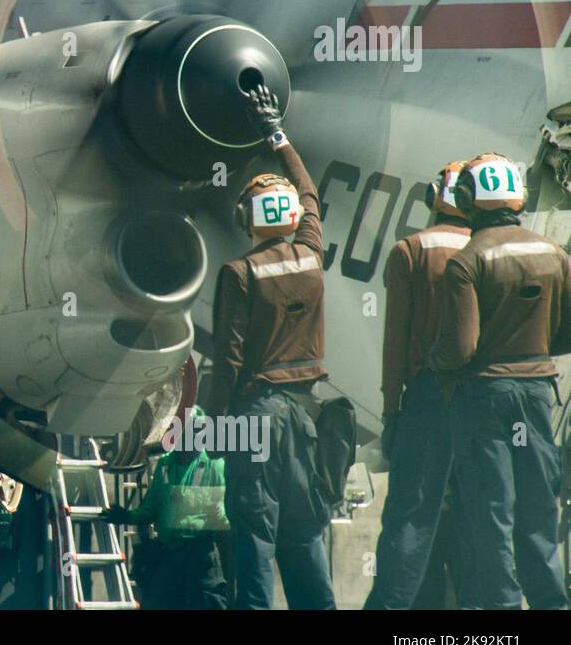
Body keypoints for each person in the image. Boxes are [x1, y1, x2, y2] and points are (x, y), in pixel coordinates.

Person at [202, 86, 336, 610]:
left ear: (247, 220)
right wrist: (277, 134)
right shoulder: (311, 254)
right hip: (306, 413)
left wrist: (214, 425)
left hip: (256, 413)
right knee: (304, 529)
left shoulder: (239, 273)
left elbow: (230, 360)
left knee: (255, 532)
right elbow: (310, 194)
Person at [432, 152, 571, 610]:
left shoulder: (466, 261)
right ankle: (551, 603)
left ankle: (502, 610)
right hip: (536, 392)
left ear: (470, 200)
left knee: (493, 511)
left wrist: (435, 361)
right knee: (537, 506)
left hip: (484, 399)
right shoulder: (554, 253)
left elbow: (461, 348)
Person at [364, 161, 472, 609]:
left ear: (433, 197)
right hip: (488, 401)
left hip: (428, 399)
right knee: (478, 519)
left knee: (410, 518)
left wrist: (392, 412)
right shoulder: (490, 249)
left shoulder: (410, 250)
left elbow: (395, 343)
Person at [107, 405, 229, 609]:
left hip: (201, 555)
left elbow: (223, 514)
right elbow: (152, 507)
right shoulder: (165, 466)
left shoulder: (214, 465)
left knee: (207, 602)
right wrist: (127, 516)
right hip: (170, 553)